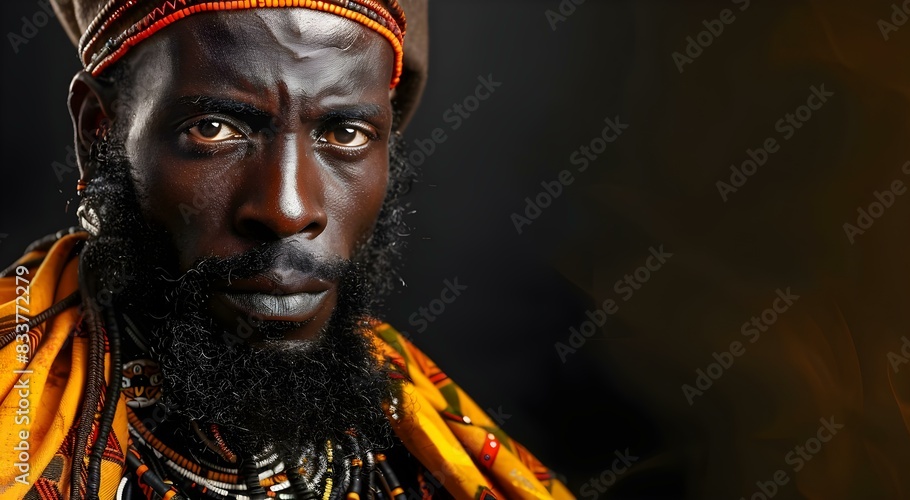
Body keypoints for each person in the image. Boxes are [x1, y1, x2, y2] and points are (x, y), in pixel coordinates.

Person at [0, 1, 573, 499]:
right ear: (99, 130)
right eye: (214, 128)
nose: (288, 209)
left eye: (345, 133)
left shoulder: (430, 446)